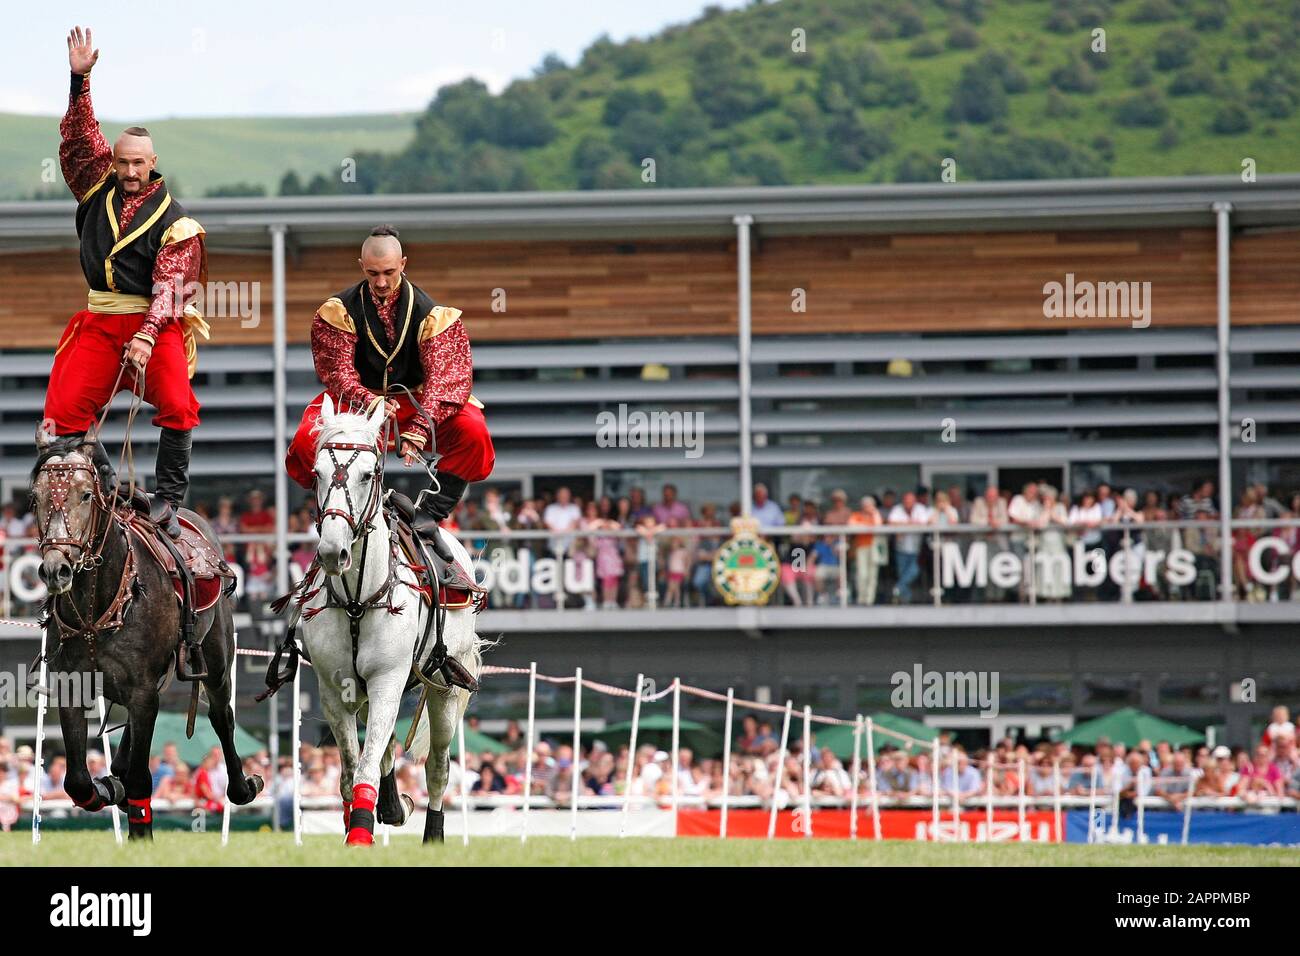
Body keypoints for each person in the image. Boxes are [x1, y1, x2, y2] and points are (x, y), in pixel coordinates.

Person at [43, 26, 207, 540]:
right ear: (113, 162)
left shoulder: (177, 221)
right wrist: (79, 81)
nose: (130, 170)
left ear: (153, 164)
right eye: (122, 161)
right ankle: (110, 484)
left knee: (178, 405)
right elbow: (78, 138)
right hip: (99, 321)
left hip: (152, 326)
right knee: (62, 413)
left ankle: (167, 500)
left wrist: (148, 333)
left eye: (139, 162)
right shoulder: (95, 189)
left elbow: (171, 285)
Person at [283, 225, 495, 571]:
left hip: (419, 400)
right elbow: (337, 372)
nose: (381, 282)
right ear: (361, 266)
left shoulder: (435, 315)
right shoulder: (337, 311)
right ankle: (332, 513)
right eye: (372, 273)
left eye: (389, 272)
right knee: (308, 441)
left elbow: (446, 378)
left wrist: (420, 430)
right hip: (356, 400)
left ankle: (431, 514)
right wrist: (369, 400)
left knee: (473, 432)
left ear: (404, 264)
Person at [848, 495, 883, 606]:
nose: (867, 507)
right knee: (862, 574)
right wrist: (867, 526)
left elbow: (878, 526)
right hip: (861, 547)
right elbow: (851, 525)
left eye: (870, 505)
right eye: (866, 505)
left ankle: (869, 600)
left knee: (872, 574)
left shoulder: (875, 515)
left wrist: (874, 513)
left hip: (874, 547)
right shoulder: (856, 515)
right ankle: (861, 599)